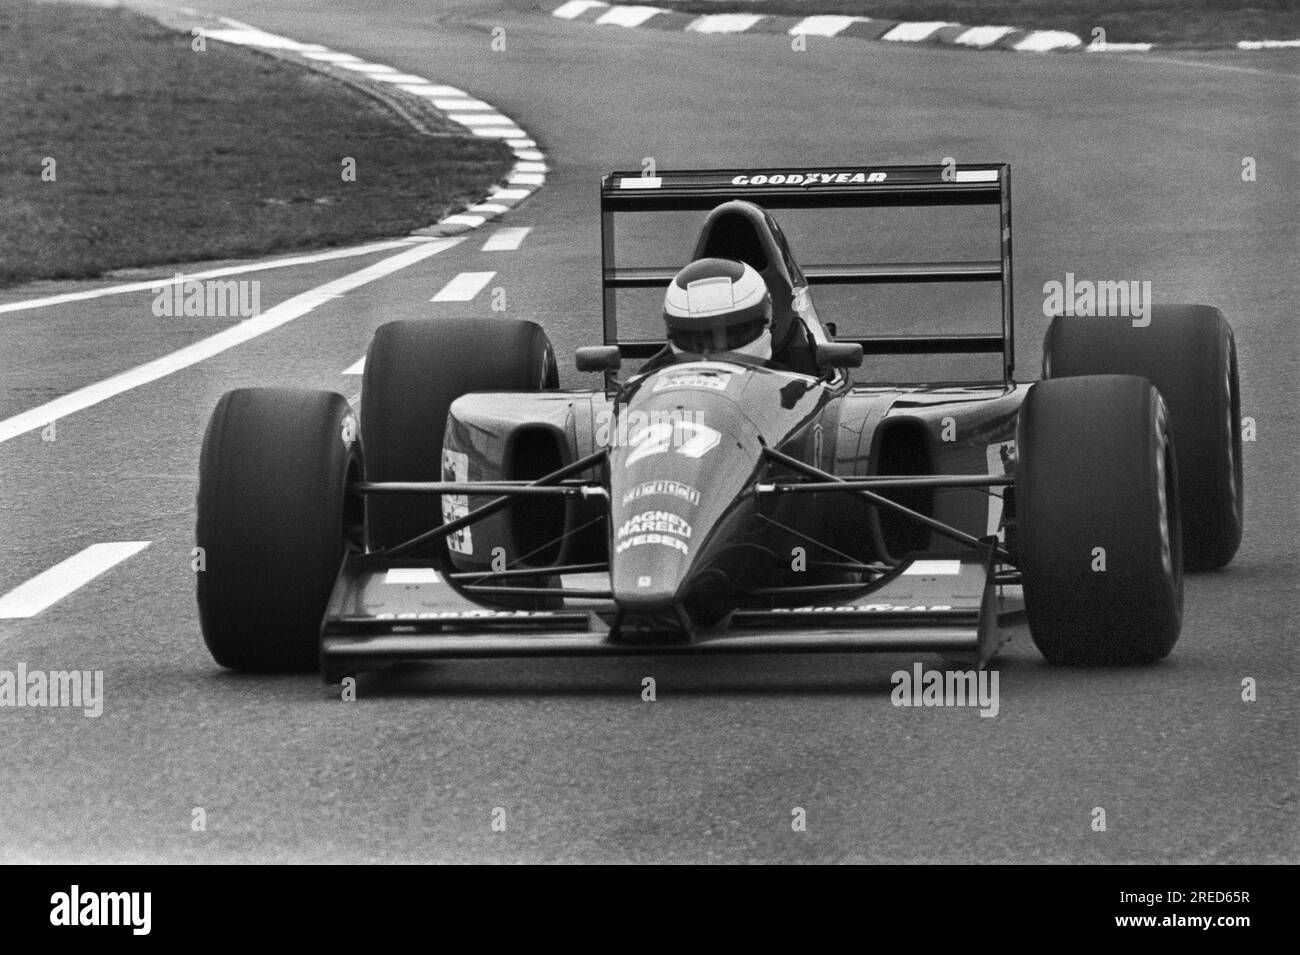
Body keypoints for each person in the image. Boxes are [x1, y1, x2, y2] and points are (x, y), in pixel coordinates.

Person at [662, 257, 773, 361]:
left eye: (733, 334)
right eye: (699, 340)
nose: (711, 356)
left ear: (767, 315)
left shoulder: (789, 376)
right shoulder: (653, 377)